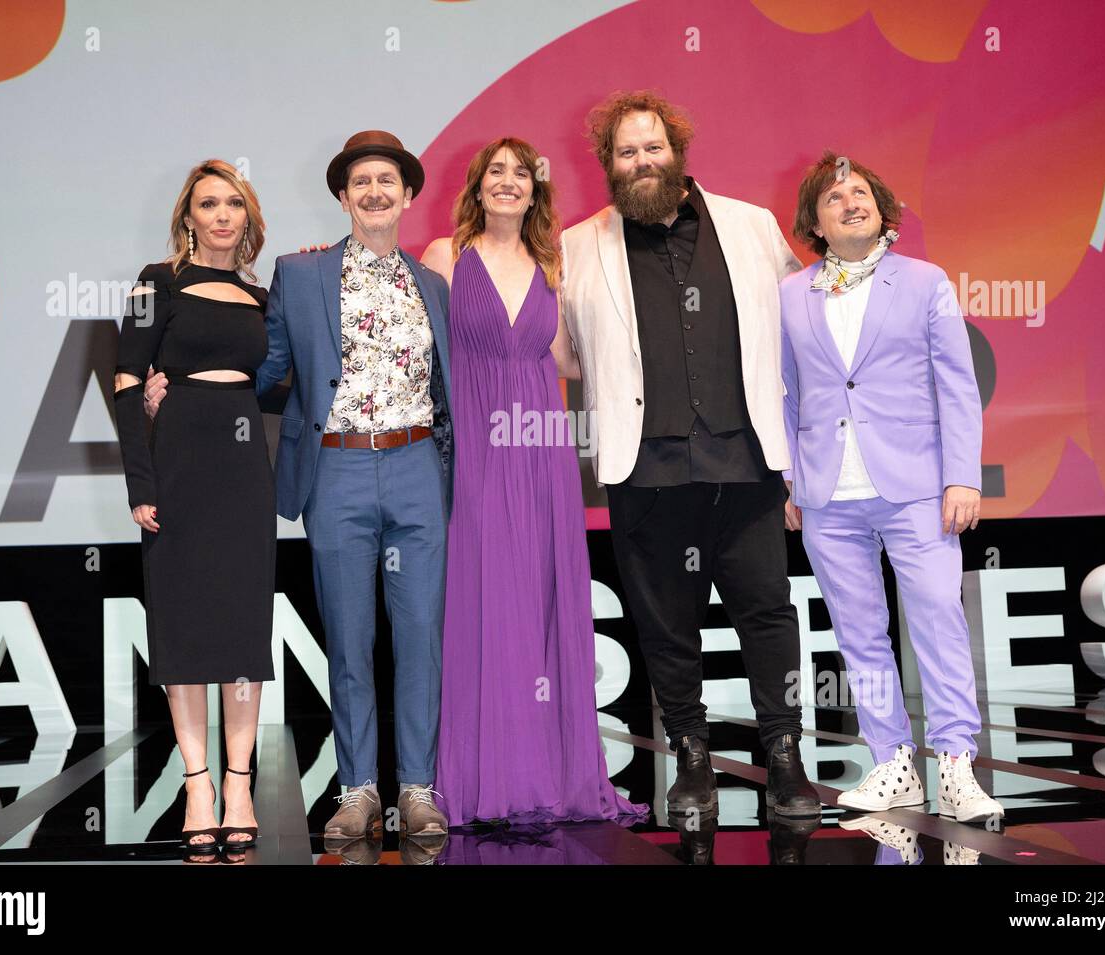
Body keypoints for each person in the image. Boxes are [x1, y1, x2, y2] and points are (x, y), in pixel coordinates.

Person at [149, 131, 454, 841]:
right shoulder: (301, 274)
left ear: (408, 194)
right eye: (361, 182)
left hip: (416, 468)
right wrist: (186, 392)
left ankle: (416, 787)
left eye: (388, 180)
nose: (375, 191)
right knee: (347, 641)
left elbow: (448, 391)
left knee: (419, 637)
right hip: (338, 470)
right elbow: (265, 368)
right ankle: (357, 791)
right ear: (344, 198)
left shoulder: (433, 286)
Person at [560, 90, 820, 818]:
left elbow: (798, 333)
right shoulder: (579, 246)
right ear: (608, 165)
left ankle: (786, 756)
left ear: (677, 151)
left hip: (747, 463)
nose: (642, 161)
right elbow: (564, 354)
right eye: (626, 151)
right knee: (666, 626)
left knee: (767, 614)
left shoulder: (752, 226)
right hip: (646, 471)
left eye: (653, 147)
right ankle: (693, 759)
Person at [420, 137, 649, 826]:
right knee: (486, 601)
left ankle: (551, 774)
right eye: (497, 171)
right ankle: (483, 778)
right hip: (477, 447)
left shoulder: (554, 265)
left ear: (535, 191)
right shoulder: (442, 257)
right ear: (477, 185)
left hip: (542, 449)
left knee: (541, 601)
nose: (509, 182)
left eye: (521, 174)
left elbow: (572, 360)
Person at [779, 151, 1003, 823]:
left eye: (860, 192)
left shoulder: (925, 281)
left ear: (881, 206)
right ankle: (893, 761)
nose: (850, 202)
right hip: (826, 491)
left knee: (937, 615)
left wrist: (962, 475)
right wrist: (792, 478)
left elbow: (957, 385)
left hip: (917, 485)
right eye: (833, 196)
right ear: (814, 221)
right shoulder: (792, 293)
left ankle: (957, 762)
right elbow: (787, 393)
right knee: (860, 631)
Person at [112, 159, 273, 855]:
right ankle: (198, 785)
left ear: (248, 217)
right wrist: (140, 481)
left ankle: (240, 784)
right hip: (178, 462)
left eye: (233, 203)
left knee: (241, 632)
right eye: (208, 203)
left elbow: (274, 387)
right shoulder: (157, 281)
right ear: (188, 217)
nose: (221, 214)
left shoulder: (259, 293)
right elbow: (125, 379)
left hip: (243, 469)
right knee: (181, 630)